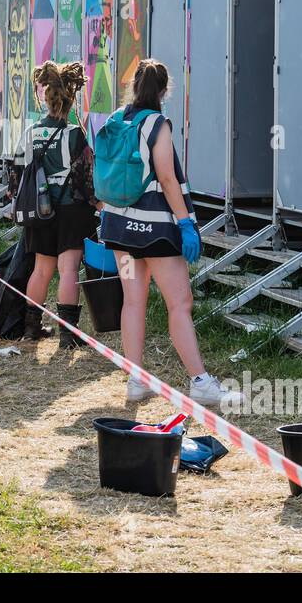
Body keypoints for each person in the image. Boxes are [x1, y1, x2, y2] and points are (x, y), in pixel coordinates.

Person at [98, 60, 245, 411]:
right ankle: (200, 382)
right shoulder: (156, 124)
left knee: (133, 301)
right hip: (156, 234)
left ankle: (136, 380)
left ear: (133, 85)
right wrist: (185, 223)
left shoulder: (117, 120)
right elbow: (166, 177)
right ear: (165, 91)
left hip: (120, 231)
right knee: (179, 304)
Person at [9, 61, 98, 347]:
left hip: (40, 210)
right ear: (70, 100)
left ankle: (31, 328)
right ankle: (68, 336)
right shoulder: (74, 134)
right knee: (69, 268)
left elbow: (14, 174)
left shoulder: (31, 132)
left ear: (46, 99)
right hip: (71, 210)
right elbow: (87, 178)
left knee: (41, 269)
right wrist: (97, 204)